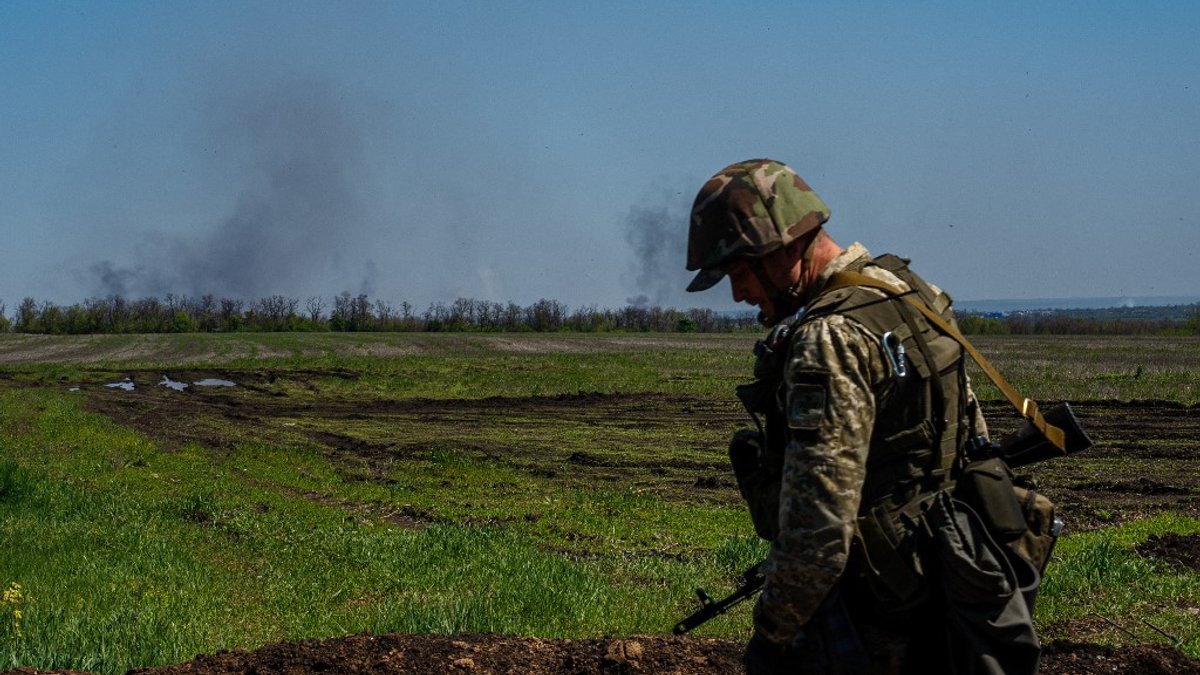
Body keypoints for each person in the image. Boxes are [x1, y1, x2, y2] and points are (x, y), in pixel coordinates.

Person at [685, 159, 1018, 674]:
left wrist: (772, 635)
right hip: (957, 581)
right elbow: (971, 435)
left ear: (792, 245)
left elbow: (818, 526)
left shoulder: (829, 338)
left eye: (742, 269)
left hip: (879, 619)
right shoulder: (906, 291)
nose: (738, 293)